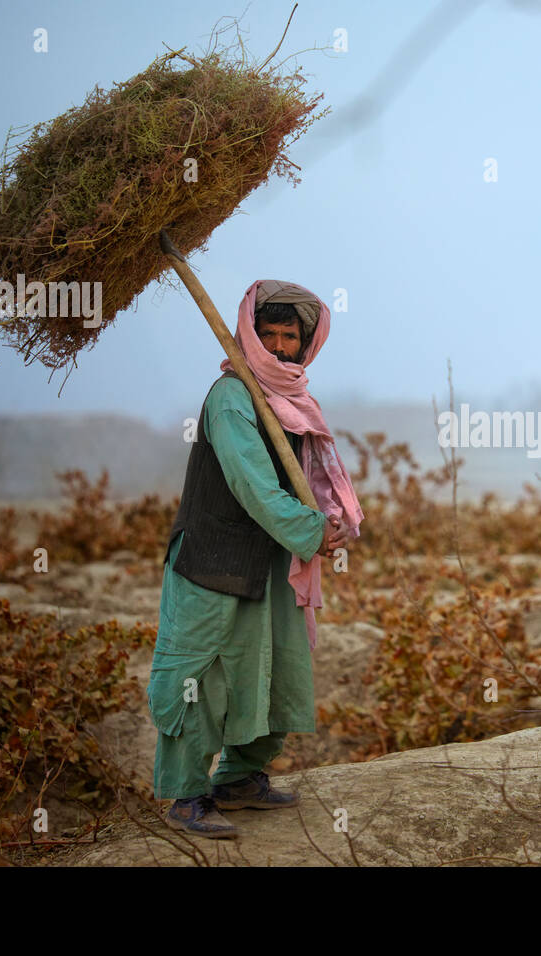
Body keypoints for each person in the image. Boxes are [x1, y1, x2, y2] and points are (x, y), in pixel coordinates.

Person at [147, 280, 365, 839]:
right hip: (211, 562)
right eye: (265, 334)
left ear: (304, 343)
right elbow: (253, 485)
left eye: (288, 336)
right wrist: (311, 530)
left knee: (271, 667)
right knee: (202, 677)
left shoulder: (290, 402)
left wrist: (320, 523)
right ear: (250, 336)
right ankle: (187, 796)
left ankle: (240, 779)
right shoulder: (231, 398)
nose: (276, 345)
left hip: (268, 565)